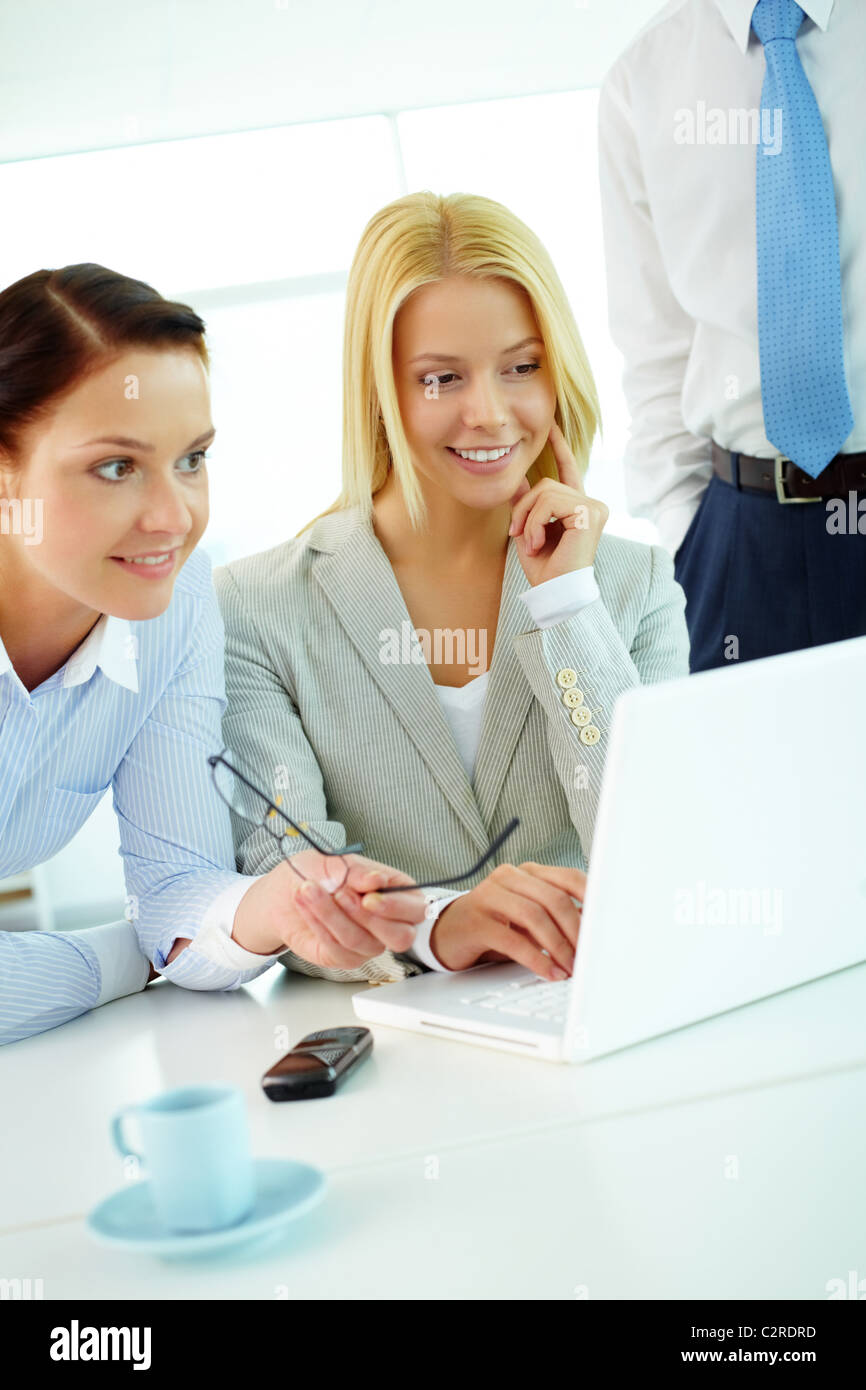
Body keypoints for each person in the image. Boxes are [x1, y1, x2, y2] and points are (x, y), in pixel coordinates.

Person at [214, 191, 689, 985]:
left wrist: (566, 606)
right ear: (381, 391)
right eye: (442, 378)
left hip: (592, 1009)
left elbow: (656, 849)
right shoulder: (255, 609)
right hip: (386, 1048)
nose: (491, 414)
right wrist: (440, 927)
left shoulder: (630, 584)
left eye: (522, 367)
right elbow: (292, 875)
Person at [0, 263, 426, 1046]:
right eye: (116, 467)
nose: (173, 517)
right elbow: (151, 945)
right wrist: (123, 961)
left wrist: (279, 907)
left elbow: (174, 894)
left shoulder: (172, 601)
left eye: (192, 459)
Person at [598, 0, 866, 672]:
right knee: (744, 775)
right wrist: (688, 536)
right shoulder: (643, 78)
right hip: (739, 540)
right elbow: (655, 349)